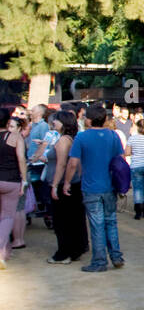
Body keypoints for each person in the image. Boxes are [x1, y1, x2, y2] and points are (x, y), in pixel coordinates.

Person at [64, 104, 124, 272]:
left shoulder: (81, 137)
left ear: (88, 119)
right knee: (111, 222)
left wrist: (67, 182)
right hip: (109, 185)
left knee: (97, 225)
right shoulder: (113, 135)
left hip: (91, 186)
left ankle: (99, 261)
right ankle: (116, 256)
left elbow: (73, 163)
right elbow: (120, 160)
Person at [46, 109, 89, 264]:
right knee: (73, 219)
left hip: (64, 184)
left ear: (63, 122)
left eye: (56, 120)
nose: (53, 123)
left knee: (62, 221)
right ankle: (74, 250)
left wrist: (55, 185)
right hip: (73, 184)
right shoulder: (72, 138)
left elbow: (62, 164)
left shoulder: (64, 140)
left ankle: (64, 252)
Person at [0, 106, 28, 270]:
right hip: (11, 181)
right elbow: (21, 159)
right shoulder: (15, 137)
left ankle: (5, 251)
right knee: (7, 217)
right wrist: (24, 180)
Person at [126, 117, 144, 218]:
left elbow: (127, 152)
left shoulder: (132, 138)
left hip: (136, 165)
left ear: (138, 127)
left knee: (137, 188)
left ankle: (138, 211)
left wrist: (135, 152)